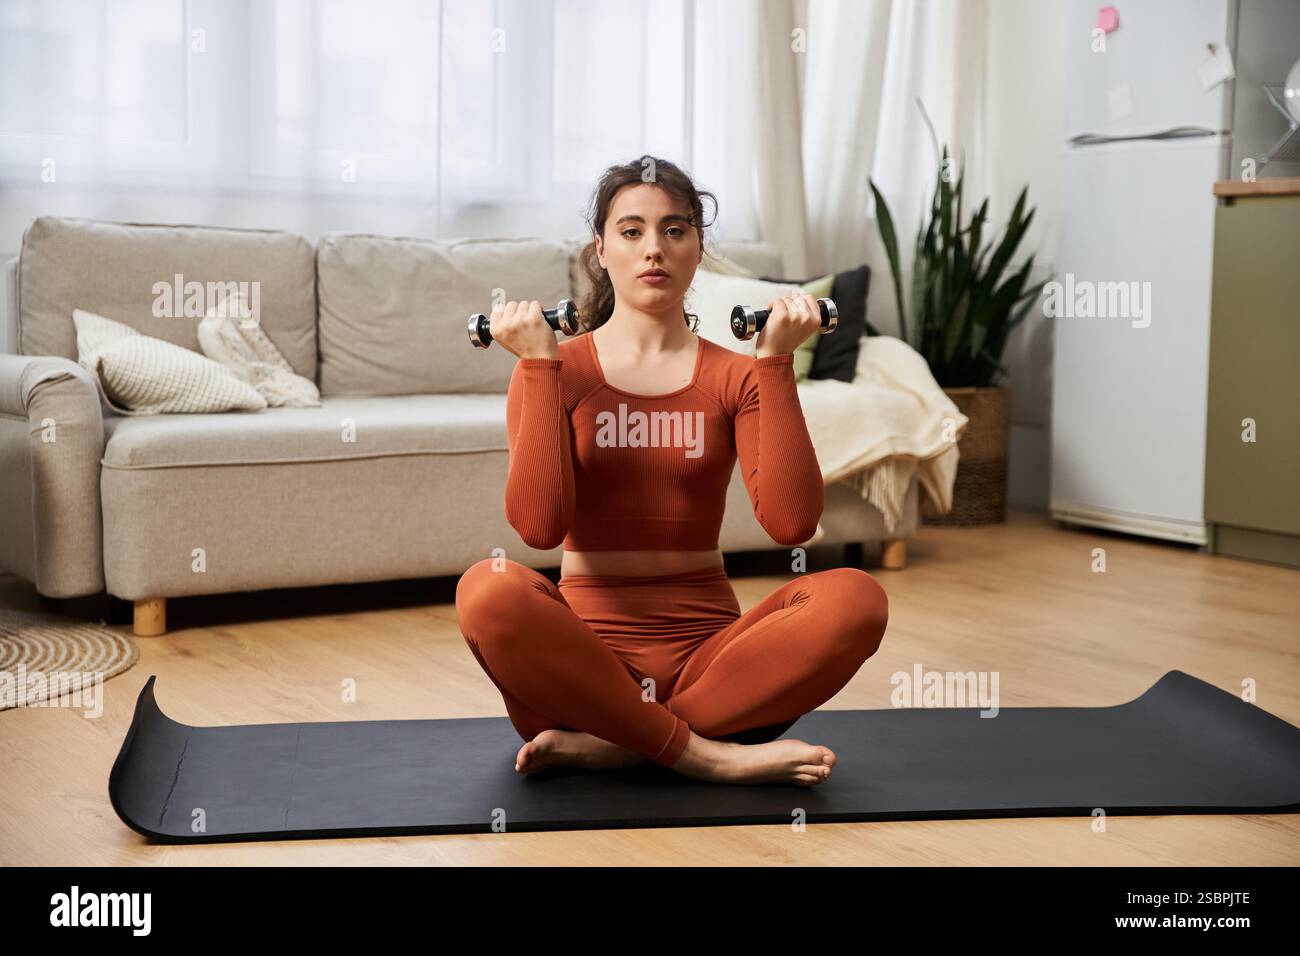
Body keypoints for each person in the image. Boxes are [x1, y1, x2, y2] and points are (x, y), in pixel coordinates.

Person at [455, 155, 889, 786]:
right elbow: (539, 530)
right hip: (581, 671)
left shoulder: (736, 375)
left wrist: (774, 363)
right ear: (600, 249)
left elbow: (792, 524)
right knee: (487, 588)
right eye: (631, 232)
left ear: (698, 247)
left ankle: (624, 743)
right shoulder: (554, 366)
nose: (653, 249)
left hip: (710, 669)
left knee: (857, 598)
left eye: (674, 230)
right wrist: (541, 369)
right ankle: (704, 754)